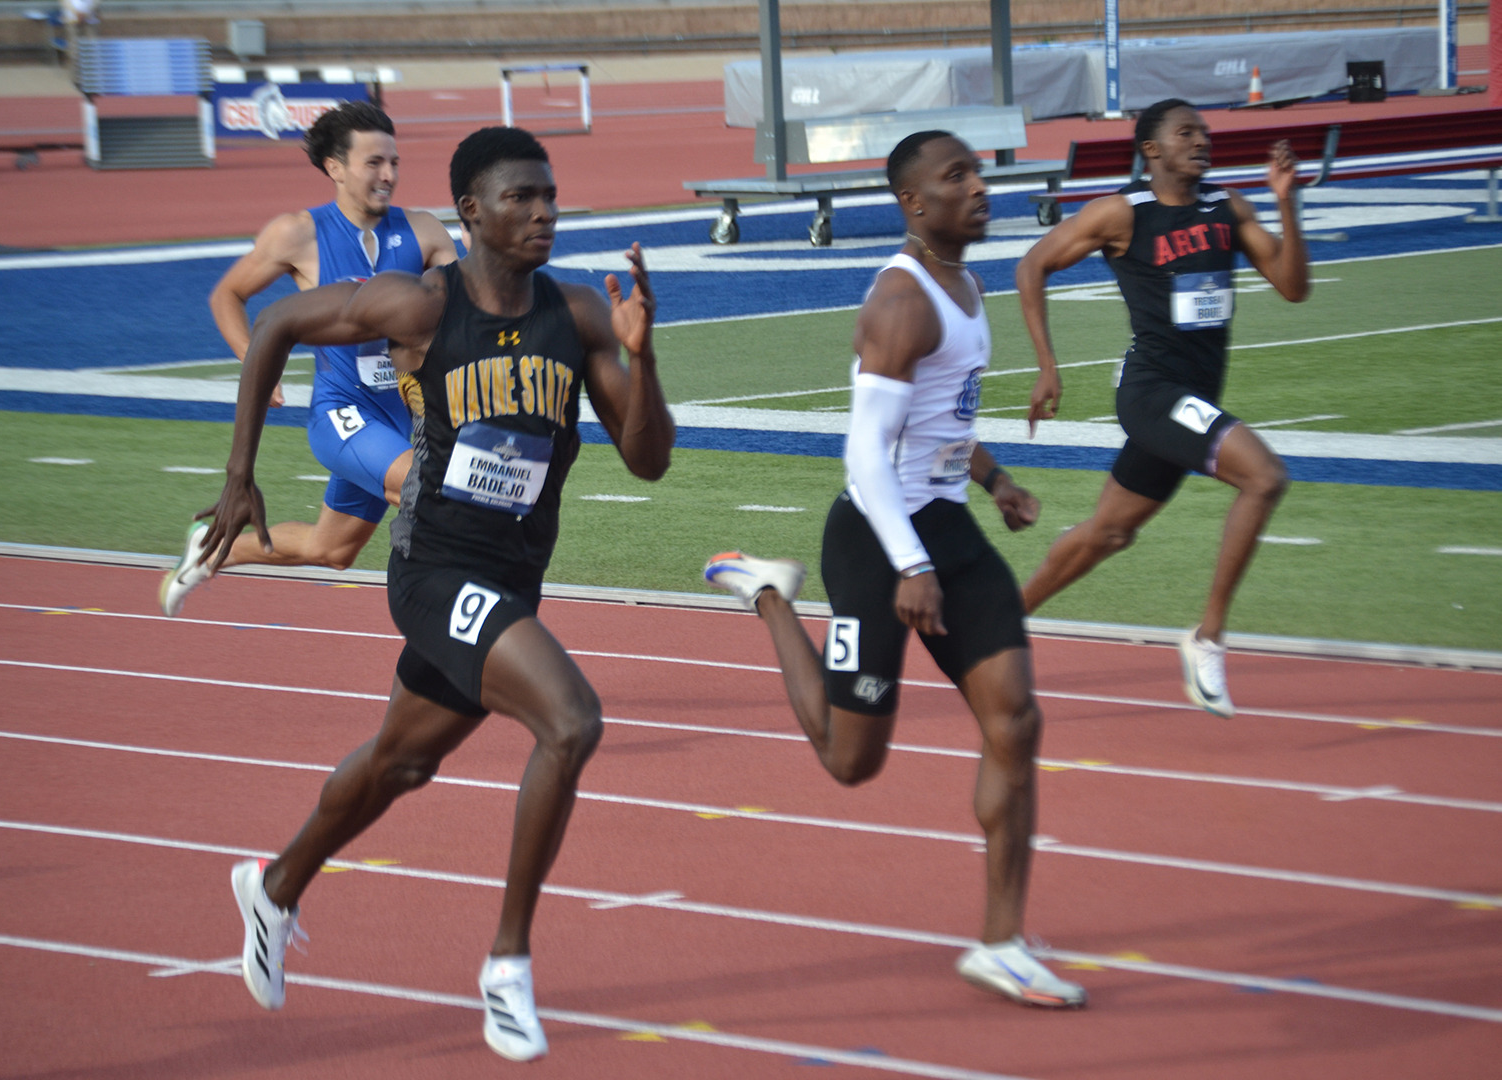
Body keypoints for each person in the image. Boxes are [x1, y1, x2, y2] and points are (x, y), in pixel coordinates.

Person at [202, 126, 674, 1061]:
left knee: (399, 764)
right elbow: (274, 327)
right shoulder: (420, 306)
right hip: (432, 569)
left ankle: (276, 883)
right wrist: (240, 474)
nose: (543, 212)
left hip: (510, 576)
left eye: (550, 195)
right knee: (571, 720)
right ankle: (507, 966)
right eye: (520, 199)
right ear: (471, 212)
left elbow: (650, 460)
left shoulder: (578, 315)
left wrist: (641, 356)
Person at [704, 131, 1087, 1009]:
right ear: (914, 203)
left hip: (944, 526)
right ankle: (767, 593)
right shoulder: (899, 299)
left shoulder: (966, 284)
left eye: (978, 170)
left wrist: (994, 481)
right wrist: (909, 566)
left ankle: (1000, 941)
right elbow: (866, 457)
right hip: (878, 542)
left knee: (1016, 722)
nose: (980, 186)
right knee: (850, 761)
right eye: (958, 177)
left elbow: (942, 419)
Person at [1015, 99, 1310, 717]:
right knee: (1265, 477)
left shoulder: (1227, 209)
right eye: (1186, 133)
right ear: (1152, 149)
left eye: (1204, 131)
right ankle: (1208, 637)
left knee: (1111, 531)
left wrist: (1286, 200)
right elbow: (1032, 265)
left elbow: (1292, 286)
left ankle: (1000, 625)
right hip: (1154, 393)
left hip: (1193, 399)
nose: (1201, 140)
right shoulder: (1123, 214)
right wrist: (1047, 364)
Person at [158, 100, 460, 616]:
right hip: (343, 414)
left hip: (401, 417)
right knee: (435, 495)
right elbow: (227, 295)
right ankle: (459, 629)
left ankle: (212, 549)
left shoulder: (425, 231)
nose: (389, 175)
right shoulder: (297, 233)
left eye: (395, 162)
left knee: (333, 550)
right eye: (374, 163)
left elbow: (467, 311)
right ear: (335, 168)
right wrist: (255, 360)